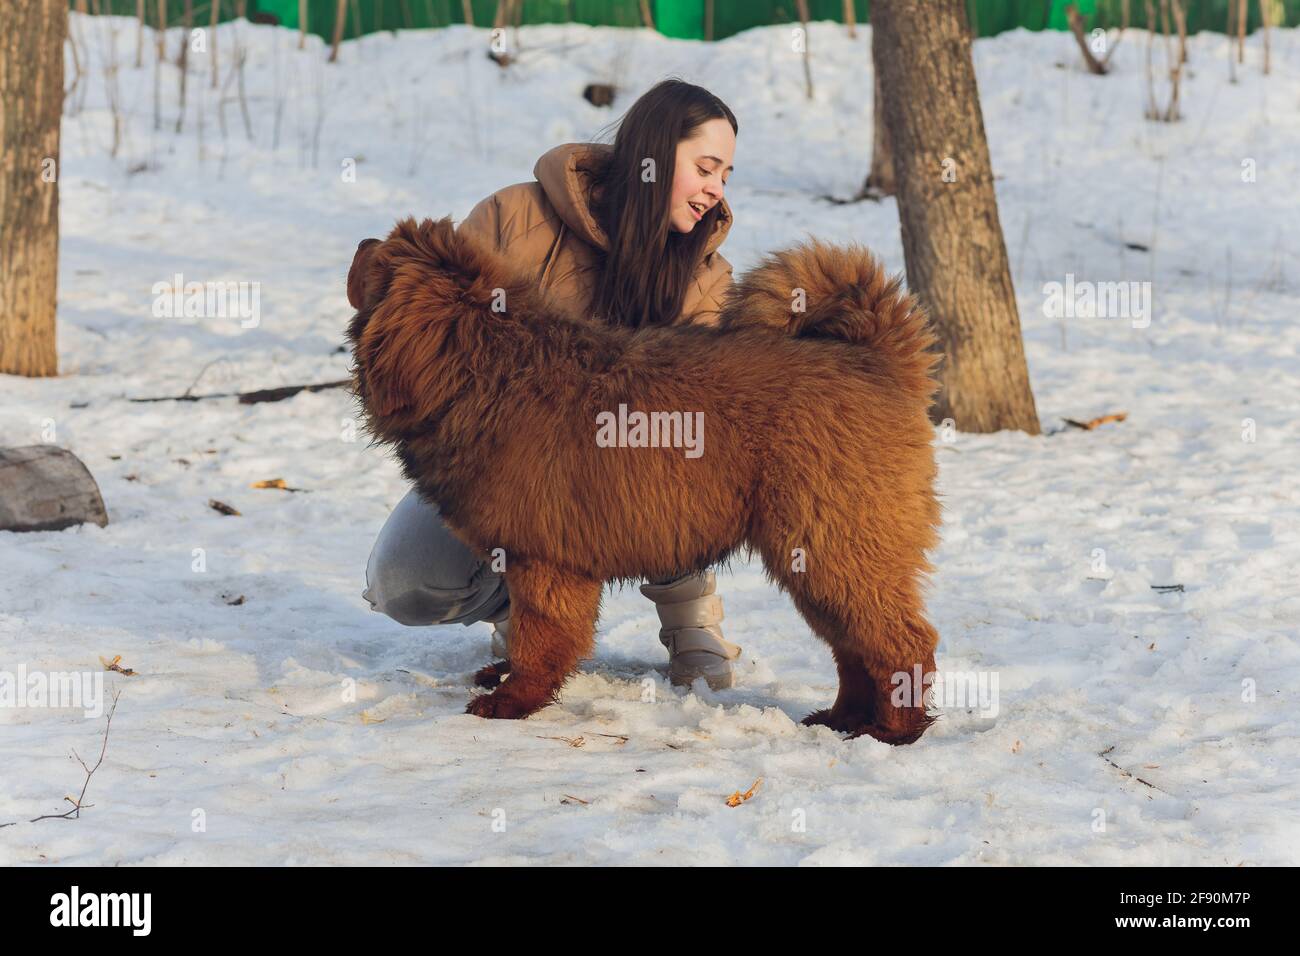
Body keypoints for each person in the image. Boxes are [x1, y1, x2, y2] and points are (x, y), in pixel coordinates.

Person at [362, 78, 742, 688]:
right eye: (704, 167)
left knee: (674, 435)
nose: (715, 191)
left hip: (634, 483)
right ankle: (528, 607)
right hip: (496, 469)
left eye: (725, 175)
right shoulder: (514, 217)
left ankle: (689, 611)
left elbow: (711, 438)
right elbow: (432, 335)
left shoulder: (707, 279)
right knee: (406, 581)